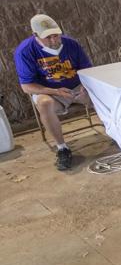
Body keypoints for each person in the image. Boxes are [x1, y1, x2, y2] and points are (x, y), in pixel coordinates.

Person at [14, 14, 93, 171]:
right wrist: (54, 91)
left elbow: (87, 69)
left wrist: (86, 85)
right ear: (36, 35)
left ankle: (116, 131)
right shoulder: (25, 50)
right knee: (44, 104)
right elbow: (27, 86)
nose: (54, 40)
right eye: (48, 38)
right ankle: (62, 148)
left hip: (77, 86)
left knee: (105, 91)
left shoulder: (71, 44)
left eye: (56, 35)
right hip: (50, 91)